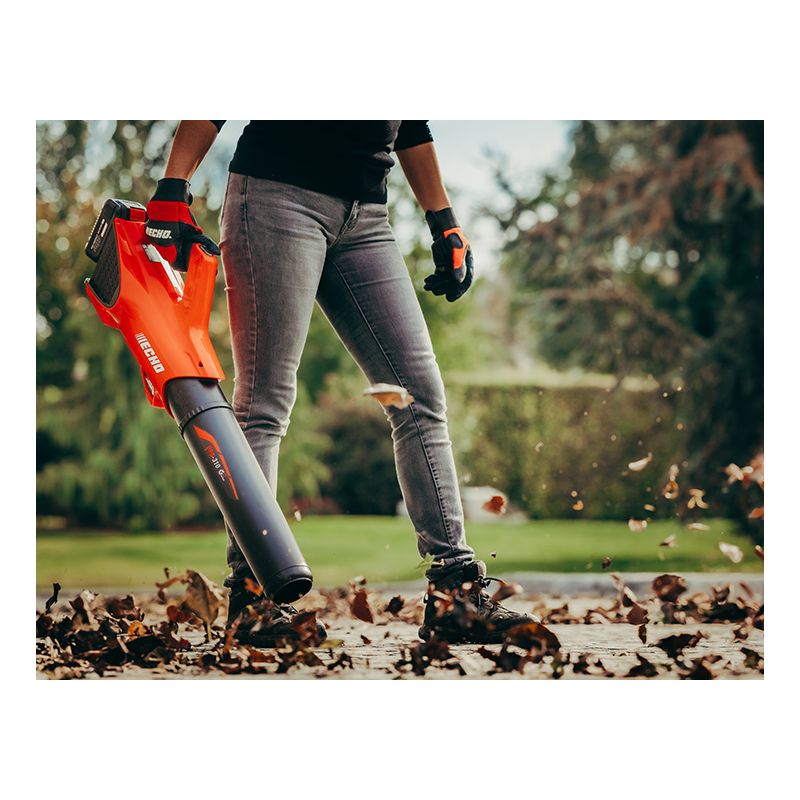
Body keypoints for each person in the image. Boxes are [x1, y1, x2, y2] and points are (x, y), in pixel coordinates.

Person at [145, 120, 537, 644]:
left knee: (417, 396)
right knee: (265, 402)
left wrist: (443, 219)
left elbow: (410, 125)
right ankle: (253, 598)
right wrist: (174, 184)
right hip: (276, 196)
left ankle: (455, 594)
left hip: (367, 215)